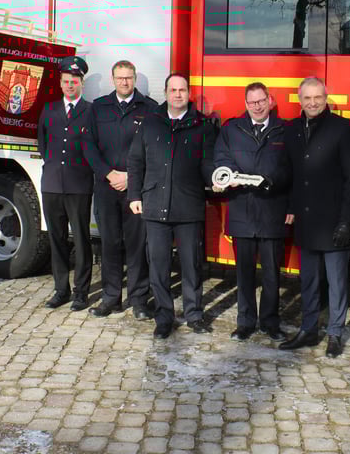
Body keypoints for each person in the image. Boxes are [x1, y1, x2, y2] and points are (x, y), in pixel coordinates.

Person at [127, 74, 217, 339]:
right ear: (165, 92)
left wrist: (216, 178)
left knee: (191, 264)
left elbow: (208, 163)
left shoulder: (202, 126)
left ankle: (194, 314)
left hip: (188, 205)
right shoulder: (150, 124)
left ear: (189, 93)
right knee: (158, 264)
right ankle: (164, 317)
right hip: (154, 204)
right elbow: (135, 162)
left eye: (182, 90)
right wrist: (134, 196)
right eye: (173, 90)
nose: (178, 94)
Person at [279, 76, 350, 358]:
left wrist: (347, 221)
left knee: (338, 283)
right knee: (309, 281)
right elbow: (291, 174)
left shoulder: (343, 129)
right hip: (306, 220)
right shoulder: (291, 130)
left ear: (326, 98)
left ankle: (335, 333)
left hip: (334, 221)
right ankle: (309, 329)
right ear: (299, 100)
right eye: (307, 98)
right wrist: (290, 206)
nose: (313, 103)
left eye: (318, 97)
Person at [212, 82, 289, 342]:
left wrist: (270, 180)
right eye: (252, 102)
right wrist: (228, 175)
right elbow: (221, 158)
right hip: (242, 209)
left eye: (261, 101)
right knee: (243, 273)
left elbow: (291, 168)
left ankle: (270, 322)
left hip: (271, 210)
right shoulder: (231, 129)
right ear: (245, 104)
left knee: (271, 273)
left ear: (270, 100)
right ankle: (245, 322)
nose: (257, 106)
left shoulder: (284, 130)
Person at [82, 60, 159, 320]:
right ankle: (110, 297)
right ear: (113, 80)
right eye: (119, 78)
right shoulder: (99, 108)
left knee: (137, 245)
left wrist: (130, 177)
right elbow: (88, 145)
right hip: (105, 187)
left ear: (134, 78)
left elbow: (155, 149)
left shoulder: (150, 109)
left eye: (128, 78)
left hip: (136, 189)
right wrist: (108, 173)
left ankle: (138, 300)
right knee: (110, 243)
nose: (124, 82)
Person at [37, 55, 94, 311]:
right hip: (51, 185)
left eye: (74, 81)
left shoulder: (91, 111)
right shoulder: (49, 109)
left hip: (79, 186)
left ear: (81, 83)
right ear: (60, 84)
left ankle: (81, 292)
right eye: (65, 81)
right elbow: (43, 143)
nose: (69, 85)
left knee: (81, 240)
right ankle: (61, 290)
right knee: (56, 239)